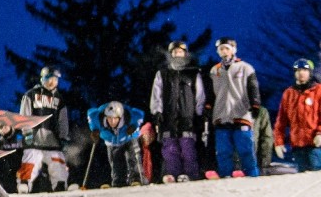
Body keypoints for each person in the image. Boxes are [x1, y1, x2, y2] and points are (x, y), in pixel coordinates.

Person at [149, 40, 205, 182]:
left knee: (188, 148)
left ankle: (190, 174)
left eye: (180, 52)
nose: (177, 55)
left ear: (185, 54)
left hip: (187, 117)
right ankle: (173, 174)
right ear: (170, 54)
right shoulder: (163, 73)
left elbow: (200, 95)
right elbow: (157, 94)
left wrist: (199, 113)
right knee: (170, 149)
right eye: (174, 52)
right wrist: (157, 112)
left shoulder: (193, 73)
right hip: (168, 117)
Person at [206, 37, 261, 178]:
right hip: (221, 115)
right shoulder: (214, 70)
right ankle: (225, 176)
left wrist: (255, 104)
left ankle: (252, 176)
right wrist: (208, 107)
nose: (224, 52)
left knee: (246, 149)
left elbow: (253, 87)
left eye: (227, 49)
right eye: (221, 49)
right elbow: (210, 93)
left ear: (233, 50)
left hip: (241, 113)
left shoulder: (245, 67)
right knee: (223, 151)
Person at [18, 66, 70, 193]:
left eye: (56, 80)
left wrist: (63, 137)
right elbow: (24, 115)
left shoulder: (59, 99)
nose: (53, 82)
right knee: (30, 161)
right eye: (50, 79)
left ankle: (60, 184)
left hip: (52, 142)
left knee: (58, 164)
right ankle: (24, 184)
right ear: (43, 79)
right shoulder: (31, 95)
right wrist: (27, 132)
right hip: (34, 140)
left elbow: (63, 120)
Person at [273, 58, 321, 172]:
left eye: (304, 70)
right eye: (298, 70)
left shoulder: (318, 90)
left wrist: (320, 132)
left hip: (315, 144)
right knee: (301, 180)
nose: (301, 73)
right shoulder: (288, 93)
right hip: (297, 146)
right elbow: (281, 120)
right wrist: (278, 142)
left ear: (310, 72)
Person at [88, 101, 146, 187]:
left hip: (129, 137)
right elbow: (91, 117)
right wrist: (94, 130)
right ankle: (118, 181)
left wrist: (134, 126)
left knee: (133, 158)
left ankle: (136, 179)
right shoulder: (97, 119)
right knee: (115, 161)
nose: (112, 121)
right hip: (112, 141)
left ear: (120, 117)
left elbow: (140, 116)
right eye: (109, 118)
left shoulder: (130, 117)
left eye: (115, 118)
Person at [0, 123, 24, 193]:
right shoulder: (0, 142)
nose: (3, 130)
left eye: (5, 127)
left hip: (19, 168)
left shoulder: (19, 137)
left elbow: (24, 150)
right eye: (0, 128)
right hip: (7, 171)